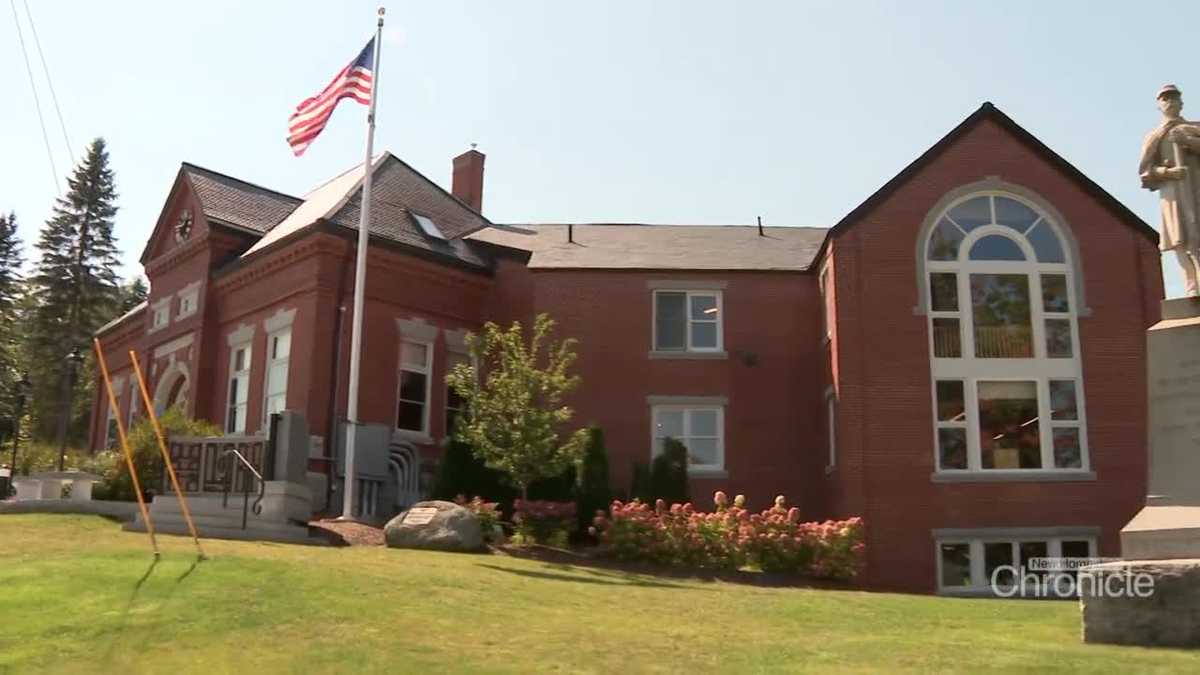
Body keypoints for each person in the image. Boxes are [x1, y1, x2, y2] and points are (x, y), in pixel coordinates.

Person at [1139, 84, 1200, 296]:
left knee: (1196, 235)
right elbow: (1146, 172)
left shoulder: (1194, 128)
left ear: (1181, 103)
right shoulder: (1155, 136)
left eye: (1174, 98)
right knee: (1179, 238)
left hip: (1195, 187)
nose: (1170, 102)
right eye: (1165, 99)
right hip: (1173, 193)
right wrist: (1168, 172)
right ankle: (1191, 284)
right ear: (1159, 105)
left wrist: (1188, 141)